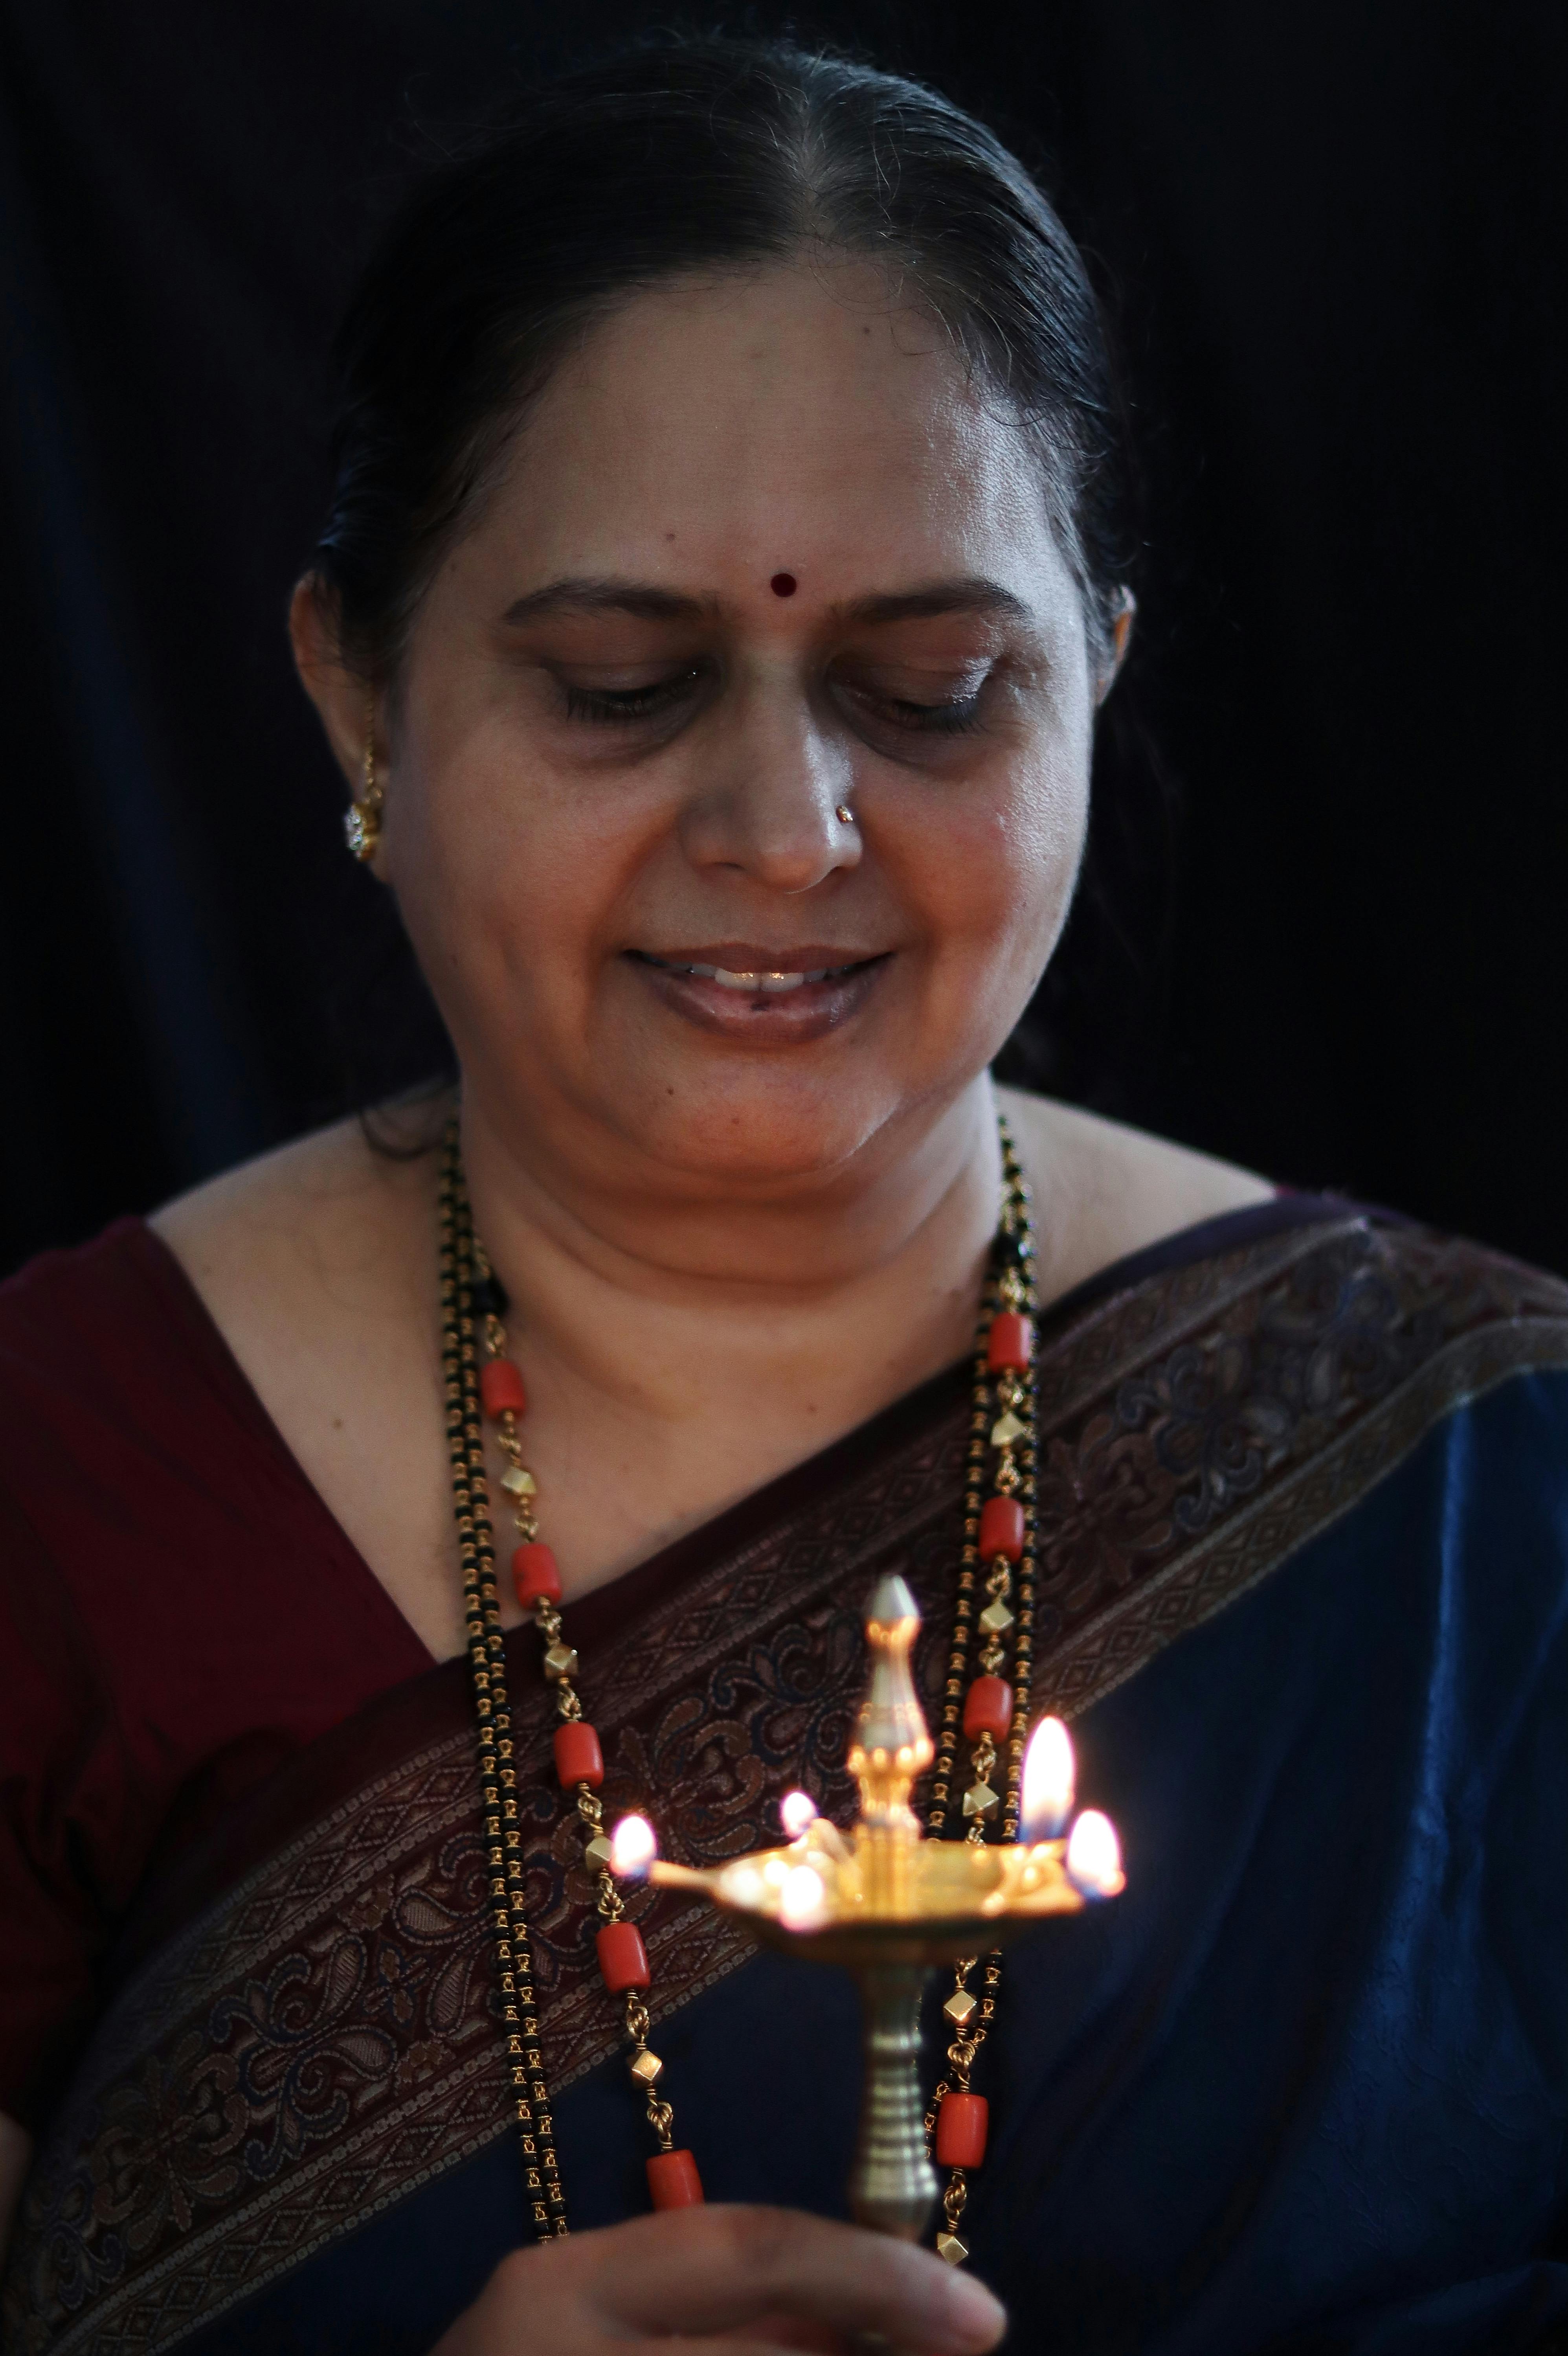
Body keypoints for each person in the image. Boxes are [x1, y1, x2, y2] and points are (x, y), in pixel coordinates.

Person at [3, 34, 1567, 2356]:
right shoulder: (63, 1464)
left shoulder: (1476, 1474)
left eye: (931, 692)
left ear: (1093, 689)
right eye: (623, 686)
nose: (783, 828)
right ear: (359, 700)